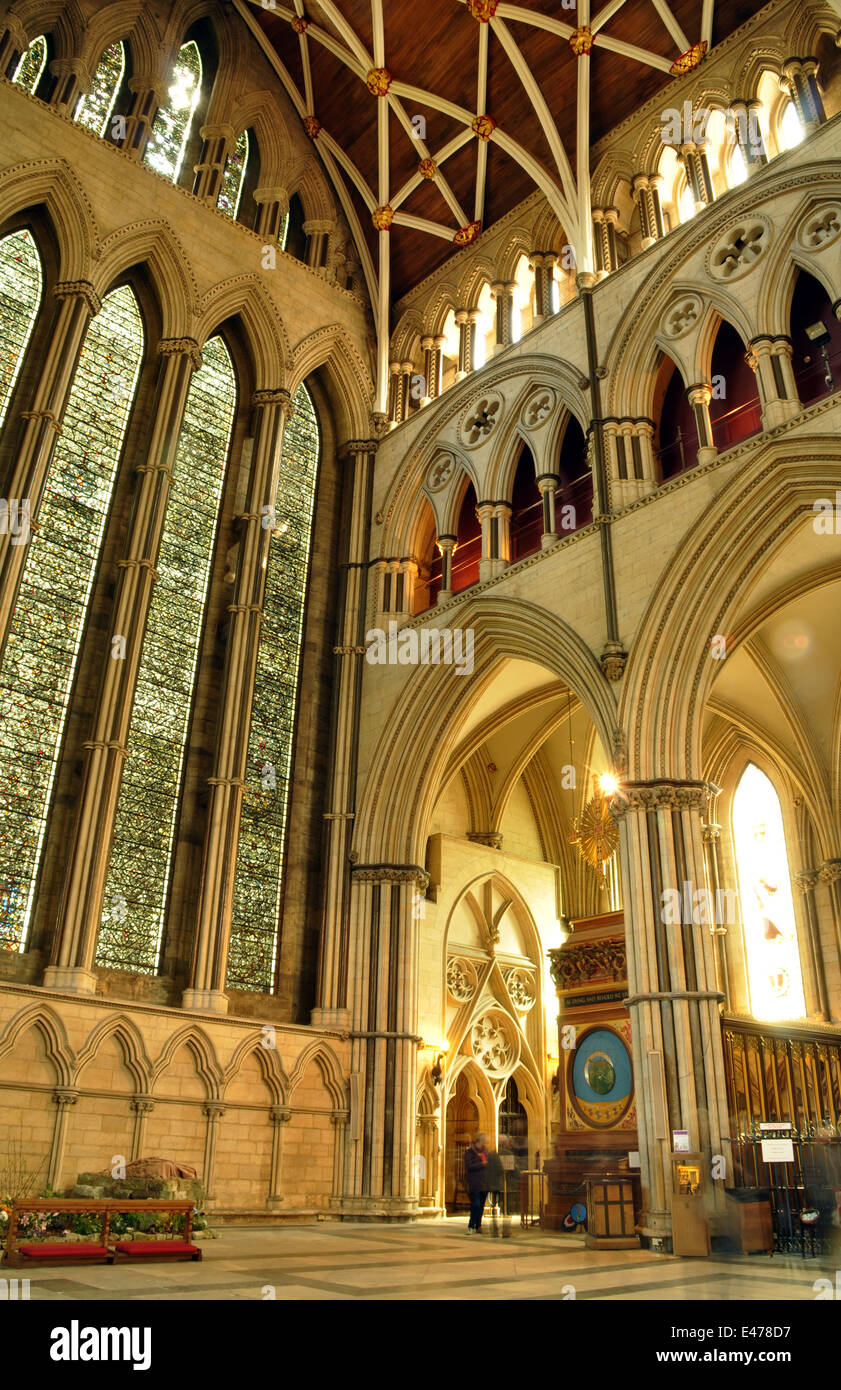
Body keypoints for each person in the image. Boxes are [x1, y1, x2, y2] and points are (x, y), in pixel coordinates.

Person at [464, 1133, 489, 1233]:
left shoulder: (485, 1151)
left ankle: (478, 1225)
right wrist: (481, 1164)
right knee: (476, 1204)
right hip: (474, 1182)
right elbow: (469, 1166)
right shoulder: (470, 1152)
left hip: (484, 1182)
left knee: (481, 1205)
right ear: (480, 1141)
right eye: (484, 1141)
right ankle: (471, 1225)